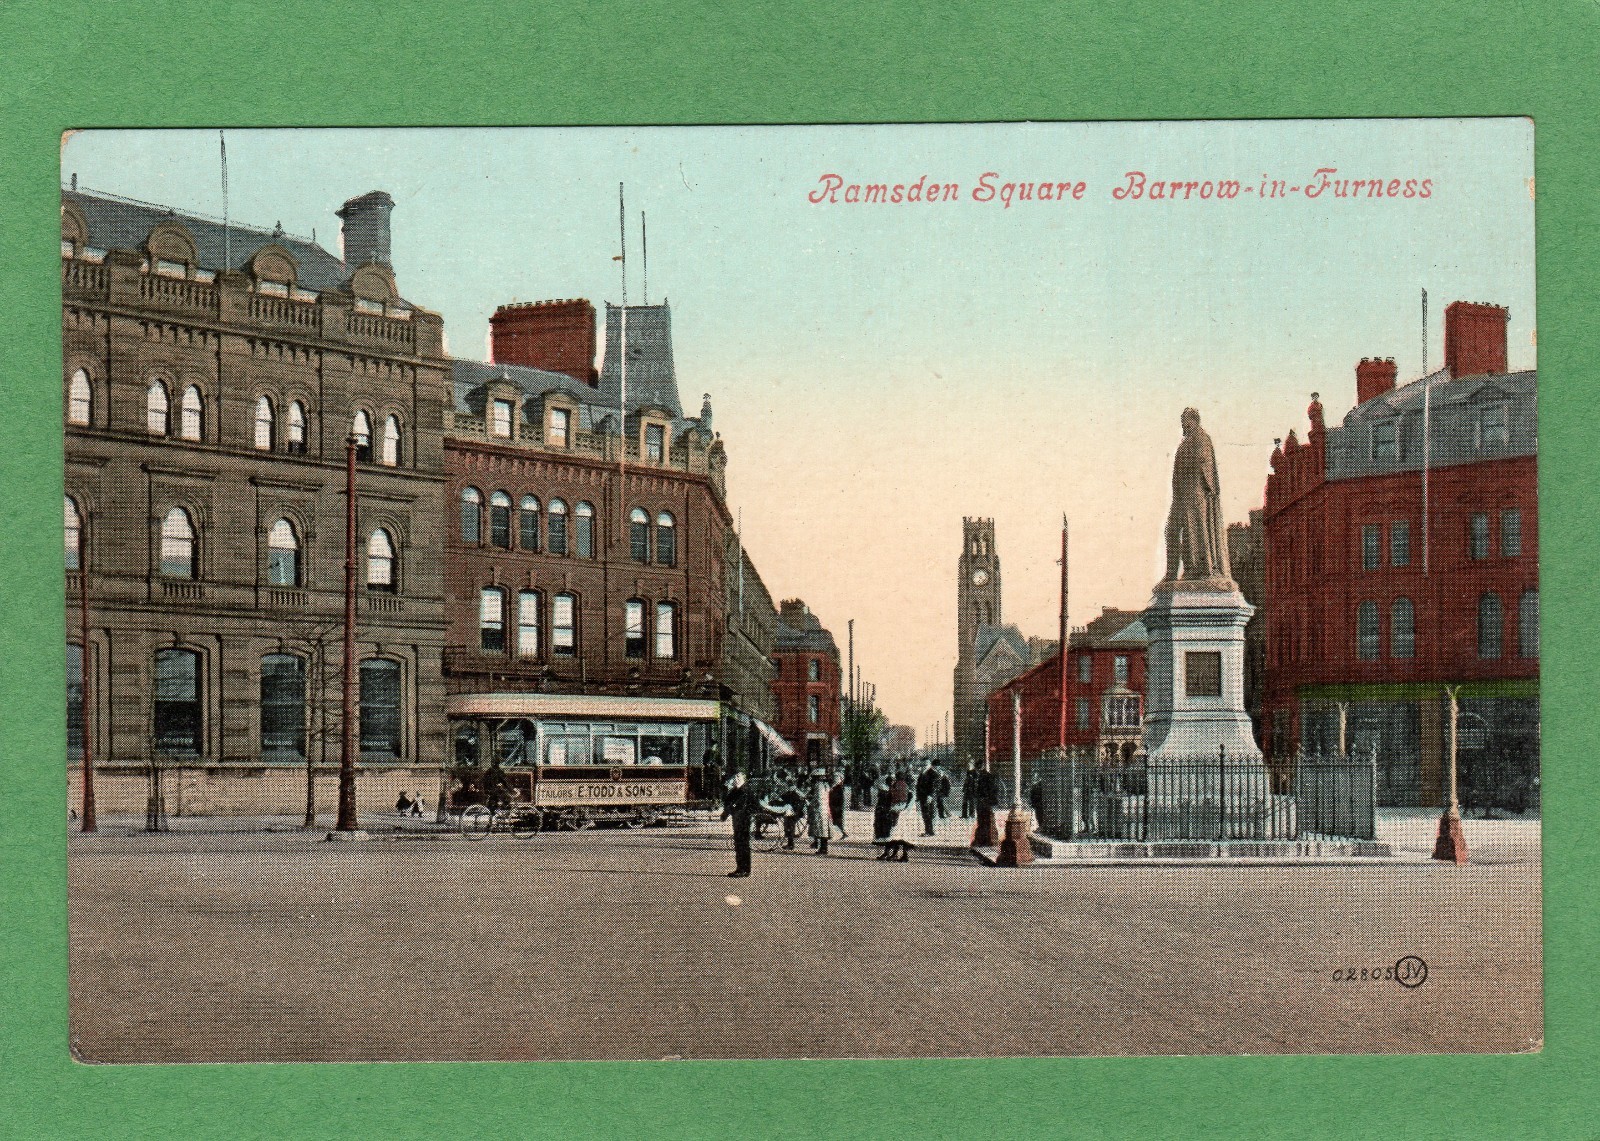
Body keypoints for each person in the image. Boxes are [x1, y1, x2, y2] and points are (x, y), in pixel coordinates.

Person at [721, 771, 756, 877]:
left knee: (743, 844)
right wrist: (725, 814)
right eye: (735, 776)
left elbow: (753, 806)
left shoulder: (747, 791)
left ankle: (745, 869)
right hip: (736, 821)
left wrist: (746, 814)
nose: (736, 779)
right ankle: (740, 868)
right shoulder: (733, 791)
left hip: (744, 821)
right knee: (738, 844)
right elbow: (728, 803)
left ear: (744, 779)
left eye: (739, 776)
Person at [807, 769, 831, 856]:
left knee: (820, 829)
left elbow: (818, 798)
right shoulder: (826, 785)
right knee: (824, 829)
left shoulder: (818, 785)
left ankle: (823, 849)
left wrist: (811, 803)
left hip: (819, 809)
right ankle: (824, 848)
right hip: (826, 808)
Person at [915, 759, 938, 836]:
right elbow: (918, 785)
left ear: (929, 764)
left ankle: (930, 831)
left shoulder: (933, 773)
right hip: (922, 796)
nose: (924, 765)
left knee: (929, 813)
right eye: (923, 763)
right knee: (925, 813)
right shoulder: (922, 773)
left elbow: (934, 786)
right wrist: (918, 797)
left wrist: (930, 795)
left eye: (926, 763)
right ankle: (928, 830)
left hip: (929, 796)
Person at [828, 770, 848, 840]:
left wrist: (838, 807)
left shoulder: (839, 788)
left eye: (836, 778)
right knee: (833, 821)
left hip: (836, 807)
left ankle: (844, 833)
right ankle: (830, 834)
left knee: (837, 821)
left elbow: (841, 799)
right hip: (833, 806)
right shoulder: (833, 787)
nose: (835, 779)